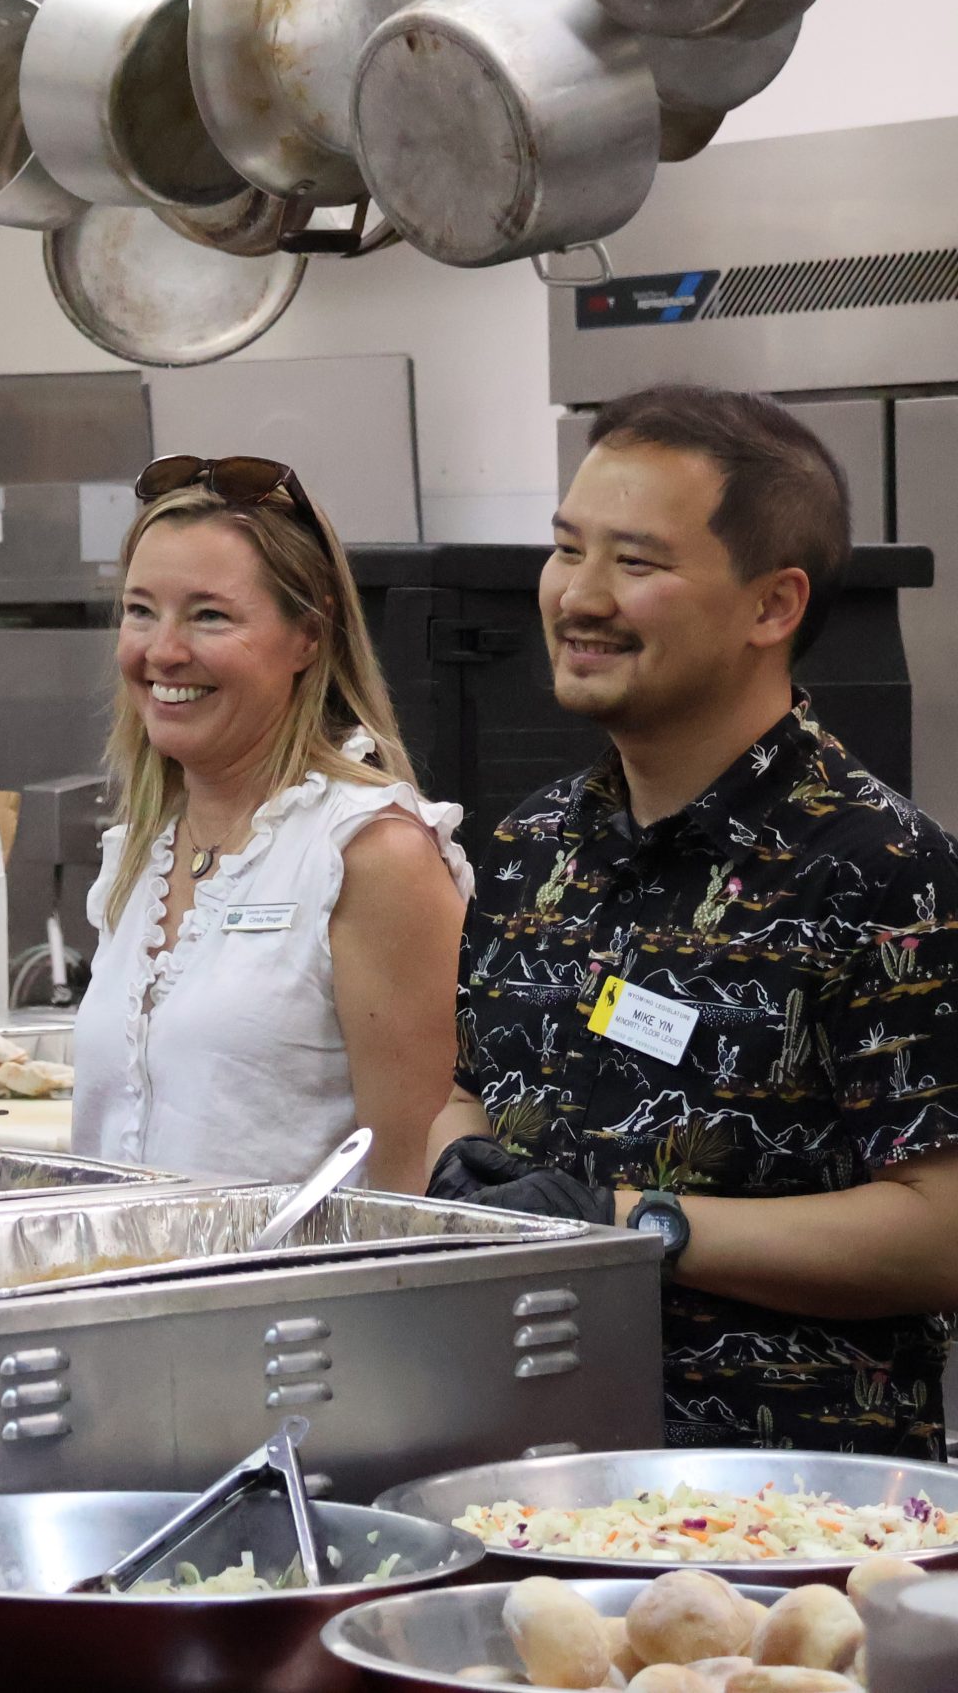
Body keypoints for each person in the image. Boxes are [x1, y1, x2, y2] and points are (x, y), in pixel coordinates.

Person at [429, 384, 958, 1457]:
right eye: (565, 549)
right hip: (521, 1466)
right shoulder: (532, 845)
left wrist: (631, 1226)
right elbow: (465, 1087)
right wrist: (464, 1172)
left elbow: (940, 1227)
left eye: (635, 562)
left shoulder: (883, 869)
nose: (579, 595)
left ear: (773, 607)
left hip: (781, 1512)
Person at [70, 456, 470, 1193]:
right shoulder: (140, 853)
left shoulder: (369, 854)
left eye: (209, 615)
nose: (162, 651)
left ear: (308, 636)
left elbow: (417, 1189)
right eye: (141, 610)